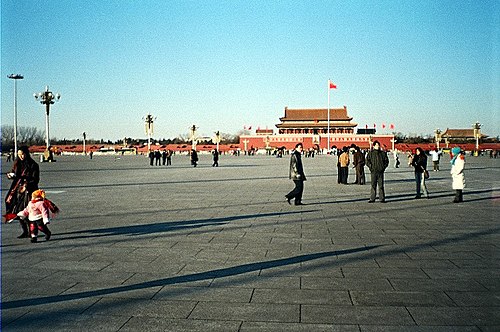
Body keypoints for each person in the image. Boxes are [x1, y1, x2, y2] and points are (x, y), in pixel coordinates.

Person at [4, 146, 40, 238]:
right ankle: (25, 231)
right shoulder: (17, 163)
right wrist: (10, 175)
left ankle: (31, 230)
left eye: (22, 154)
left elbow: (35, 179)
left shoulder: (33, 165)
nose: (21, 156)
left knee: (26, 210)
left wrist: (26, 182)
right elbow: (14, 173)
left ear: (26, 154)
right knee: (15, 207)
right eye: (19, 154)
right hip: (17, 188)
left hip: (28, 190)